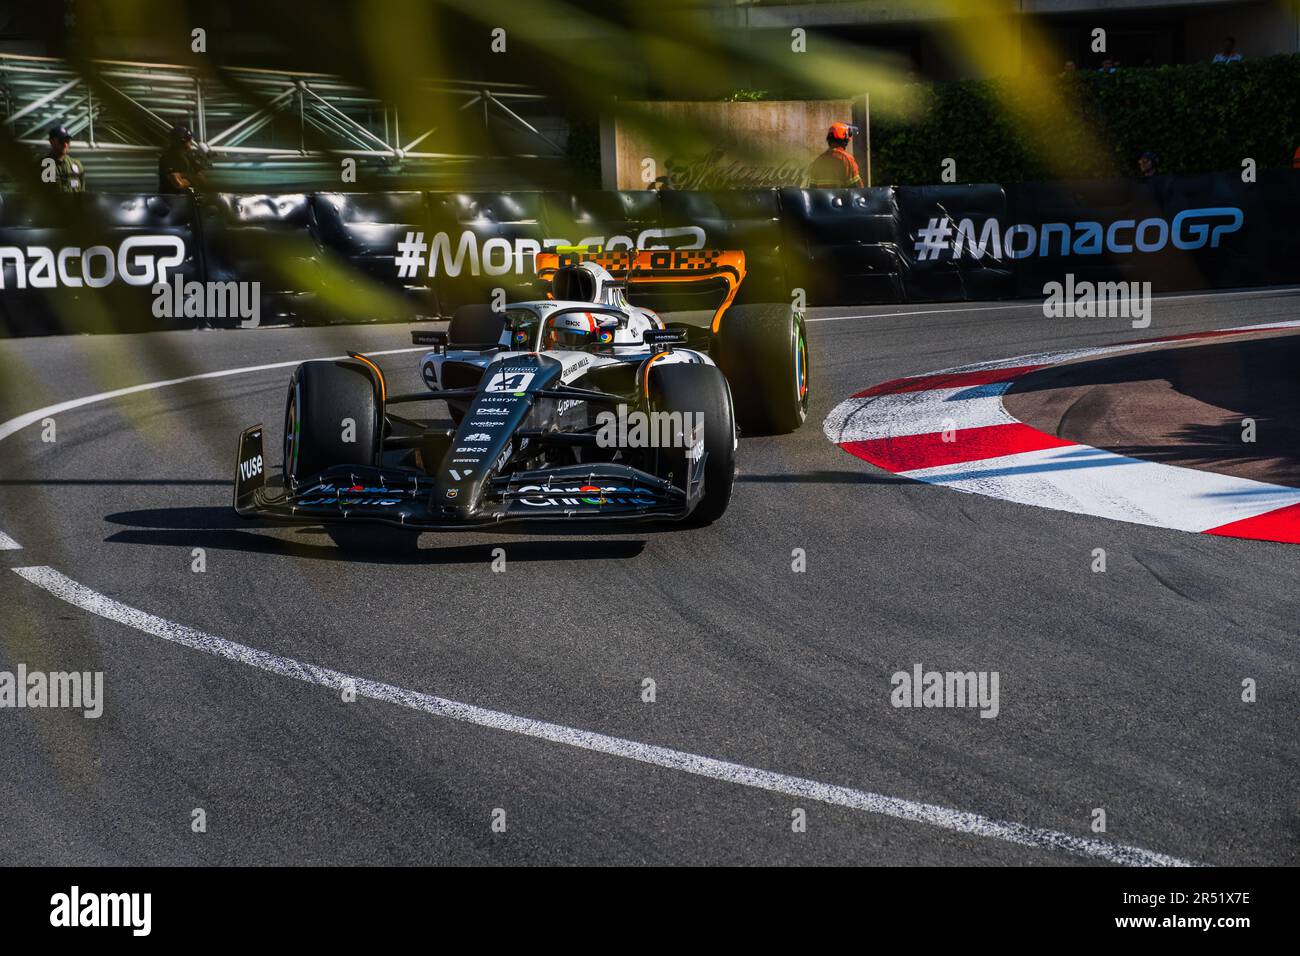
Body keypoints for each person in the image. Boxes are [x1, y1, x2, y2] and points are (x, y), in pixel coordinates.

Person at [807, 122, 863, 188]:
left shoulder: (818, 161)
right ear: (845, 139)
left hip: (822, 198)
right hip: (842, 198)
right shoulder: (846, 159)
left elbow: (812, 189)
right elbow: (857, 188)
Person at [158, 125, 207, 193]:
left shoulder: (190, 155)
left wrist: (182, 175)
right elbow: (178, 184)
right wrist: (193, 178)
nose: (191, 141)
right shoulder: (167, 158)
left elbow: (202, 180)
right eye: (189, 139)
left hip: (189, 198)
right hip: (172, 199)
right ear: (181, 141)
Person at [42, 125, 85, 193]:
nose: (65, 145)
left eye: (67, 141)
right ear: (51, 141)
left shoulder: (77, 165)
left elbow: (82, 191)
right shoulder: (42, 166)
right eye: (61, 141)